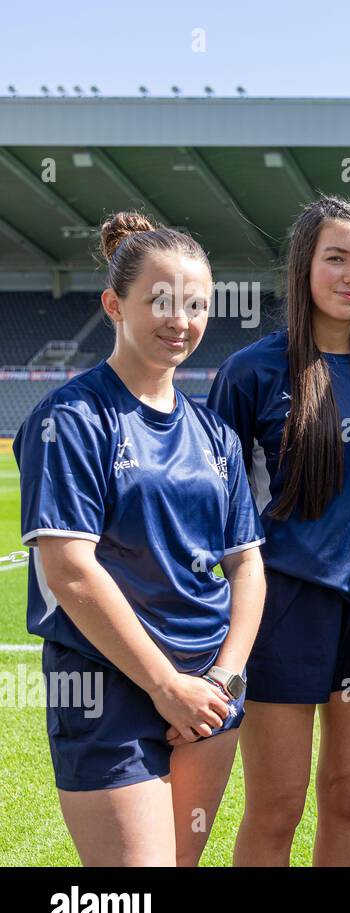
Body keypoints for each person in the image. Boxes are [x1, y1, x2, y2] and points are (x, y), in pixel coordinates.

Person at [15, 212, 265, 866]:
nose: (178, 318)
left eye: (195, 305)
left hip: (209, 692)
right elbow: (70, 571)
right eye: (159, 300)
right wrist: (163, 685)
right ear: (113, 305)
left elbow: (247, 565)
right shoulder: (69, 419)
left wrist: (226, 677)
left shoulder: (216, 436)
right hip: (110, 690)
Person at [208, 197, 350, 867]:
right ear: (304, 265)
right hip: (284, 609)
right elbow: (217, 503)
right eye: (337, 258)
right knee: (277, 806)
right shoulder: (252, 372)